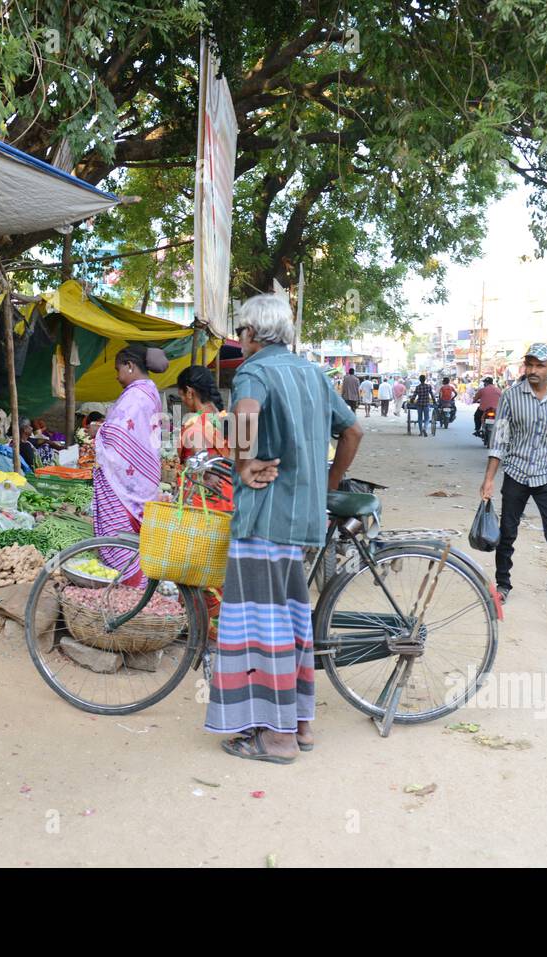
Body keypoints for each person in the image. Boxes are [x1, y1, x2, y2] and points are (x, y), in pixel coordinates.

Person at [208, 293, 363, 763]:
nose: (240, 338)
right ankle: (300, 723)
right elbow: (353, 431)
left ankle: (276, 740)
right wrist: (326, 482)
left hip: (264, 518)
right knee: (292, 618)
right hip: (303, 518)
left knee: (263, 624)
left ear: (252, 334)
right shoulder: (313, 372)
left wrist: (242, 459)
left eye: (241, 330)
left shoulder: (254, 370)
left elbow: (244, 415)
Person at [479, 343, 547, 620]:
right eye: (529, 364)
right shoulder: (511, 397)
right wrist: (489, 478)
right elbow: (500, 440)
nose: (533, 370)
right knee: (507, 532)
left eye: (539, 365)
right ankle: (503, 585)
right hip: (516, 472)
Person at [93, 343, 169, 583]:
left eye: (118, 369)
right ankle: (138, 587)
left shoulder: (136, 395)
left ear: (130, 365)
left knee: (120, 538)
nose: (117, 376)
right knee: (135, 539)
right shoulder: (150, 392)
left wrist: (99, 430)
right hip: (142, 478)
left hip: (126, 482)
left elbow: (118, 434)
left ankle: (132, 587)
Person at [175, 364, 232, 509]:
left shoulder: (195, 422)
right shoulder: (222, 415)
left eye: (181, 395)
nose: (182, 400)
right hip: (226, 493)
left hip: (205, 498)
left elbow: (200, 457)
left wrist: (207, 473)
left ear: (189, 392)